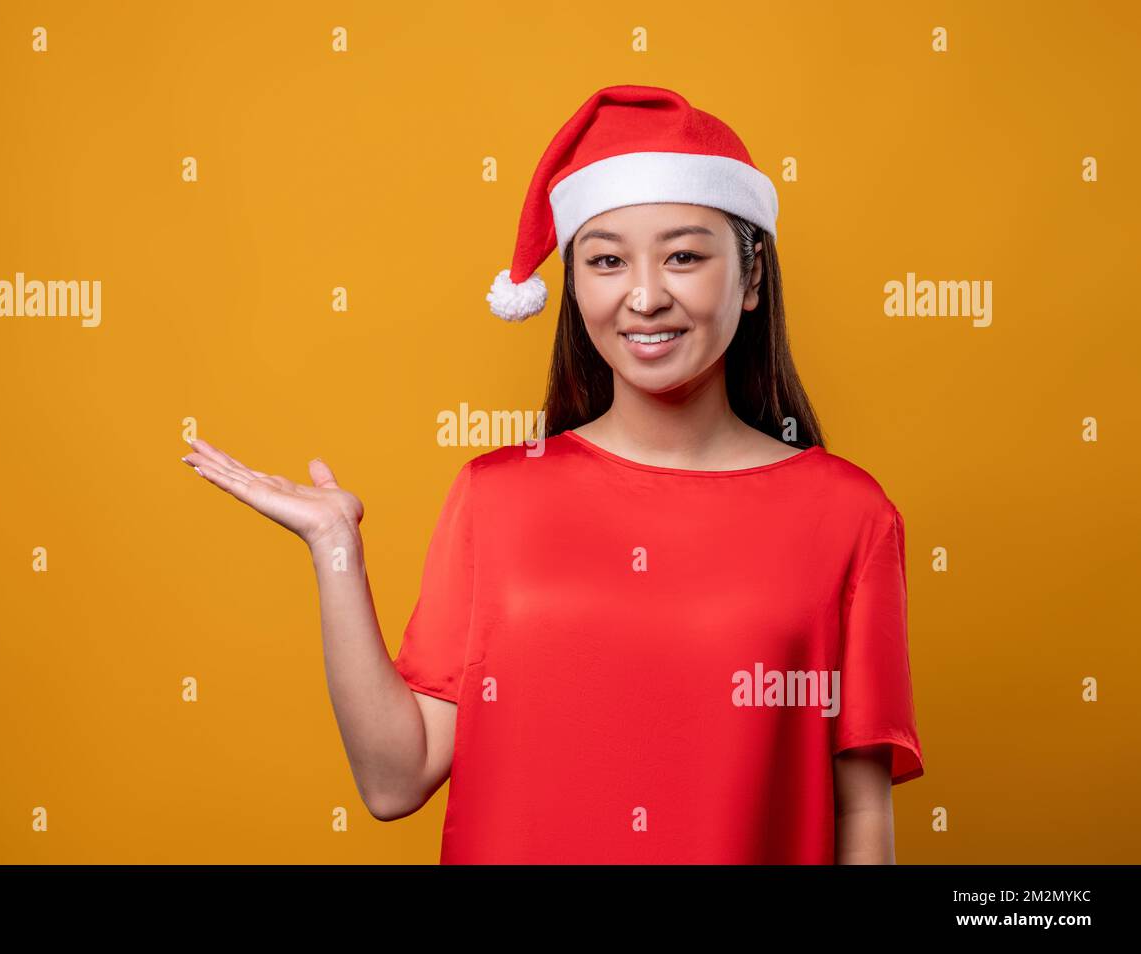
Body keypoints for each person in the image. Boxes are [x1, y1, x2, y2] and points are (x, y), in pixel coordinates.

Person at [181, 84, 924, 864]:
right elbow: (394, 782)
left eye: (683, 255)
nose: (644, 296)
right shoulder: (497, 497)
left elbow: (859, 820)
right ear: (574, 286)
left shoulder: (847, 514)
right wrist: (335, 547)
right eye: (606, 260)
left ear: (751, 279)